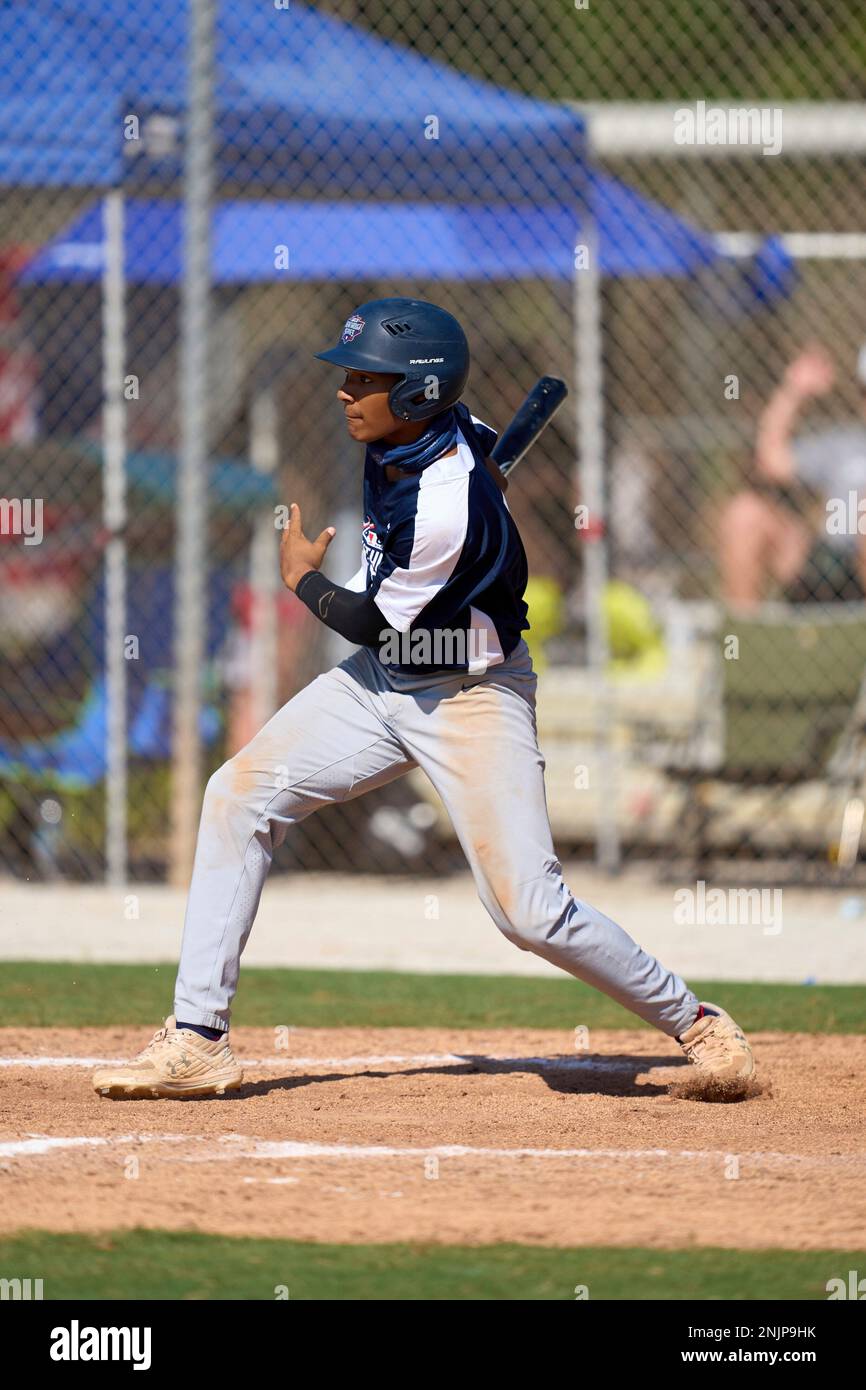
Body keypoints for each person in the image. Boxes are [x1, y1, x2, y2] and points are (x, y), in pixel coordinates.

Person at [93, 298, 753, 1100]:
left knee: (529, 914)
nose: (345, 392)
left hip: (472, 696)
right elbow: (446, 499)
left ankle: (698, 1022)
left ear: (415, 392)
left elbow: (369, 621)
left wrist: (300, 575)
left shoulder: (446, 500)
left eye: (365, 378)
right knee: (236, 795)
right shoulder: (426, 436)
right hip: (385, 685)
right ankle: (198, 1038)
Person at [720, 344, 866, 607]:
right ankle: (745, 637)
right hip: (829, 560)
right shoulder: (843, 445)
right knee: (744, 515)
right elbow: (770, 459)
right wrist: (793, 391)